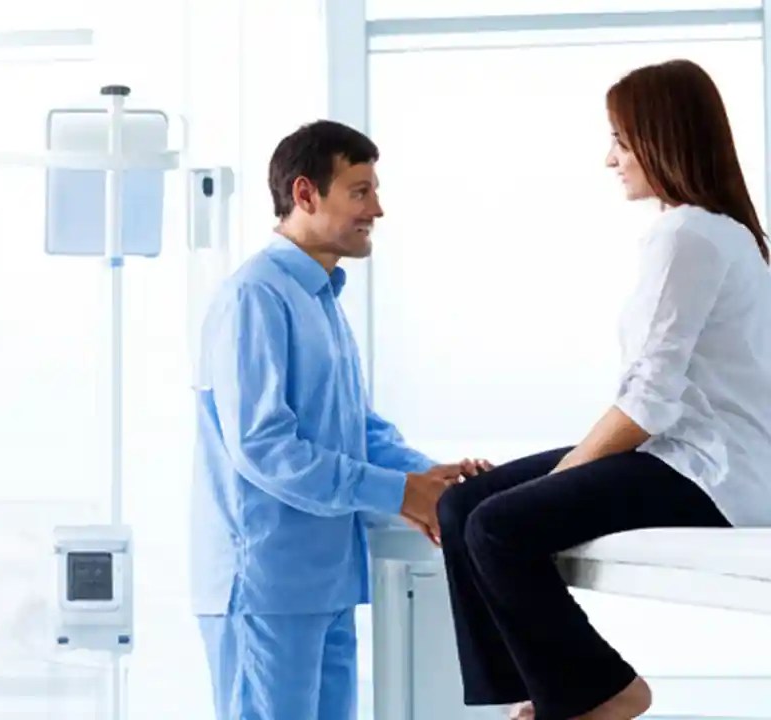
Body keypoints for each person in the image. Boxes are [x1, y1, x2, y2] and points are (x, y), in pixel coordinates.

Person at [437, 58, 771, 720]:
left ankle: (604, 694)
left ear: (659, 137)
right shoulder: (720, 231)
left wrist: (567, 470)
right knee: (462, 506)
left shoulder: (689, 234)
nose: (608, 158)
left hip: (709, 469)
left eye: (619, 140)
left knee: (496, 525)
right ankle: (546, 688)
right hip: (690, 452)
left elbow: (650, 398)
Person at [190, 119, 491, 720]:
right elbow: (264, 446)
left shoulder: (319, 298)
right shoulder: (256, 296)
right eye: (360, 190)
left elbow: (355, 428)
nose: (376, 208)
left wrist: (426, 477)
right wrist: (402, 492)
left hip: (324, 582)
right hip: (267, 587)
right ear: (305, 194)